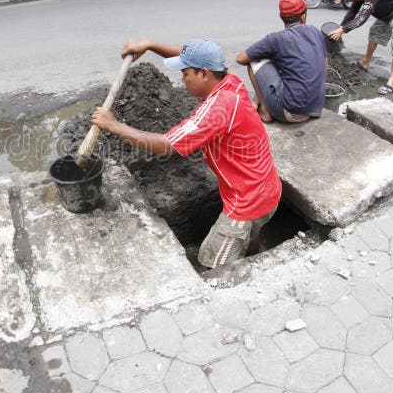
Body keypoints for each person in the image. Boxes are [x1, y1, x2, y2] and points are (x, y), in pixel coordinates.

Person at [90, 38, 282, 269]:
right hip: (267, 187)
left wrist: (114, 125)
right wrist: (150, 45)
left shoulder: (217, 110)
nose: (182, 79)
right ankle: (252, 252)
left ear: (204, 74)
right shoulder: (231, 82)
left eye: (185, 74)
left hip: (247, 203)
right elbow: (192, 55)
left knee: (211, 263)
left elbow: (167, 145)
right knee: (250, 233)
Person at [235, 0, 327, 124]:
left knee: (255, 60)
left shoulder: (276, 39)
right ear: (303, 17)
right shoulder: (316, 32)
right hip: (315, 107)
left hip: (290, 112)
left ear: (281, 17)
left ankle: (265, 112)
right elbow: (325, 66)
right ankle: (258, 101)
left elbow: (241, 58)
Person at [326, 0, 393, 95]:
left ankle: (391, 81)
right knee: (374, 33)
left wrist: (344, 30)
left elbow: (362, 17)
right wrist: (341, 27)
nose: (351, 0)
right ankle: (366, 61)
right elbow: (353, 11)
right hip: (385, 14)